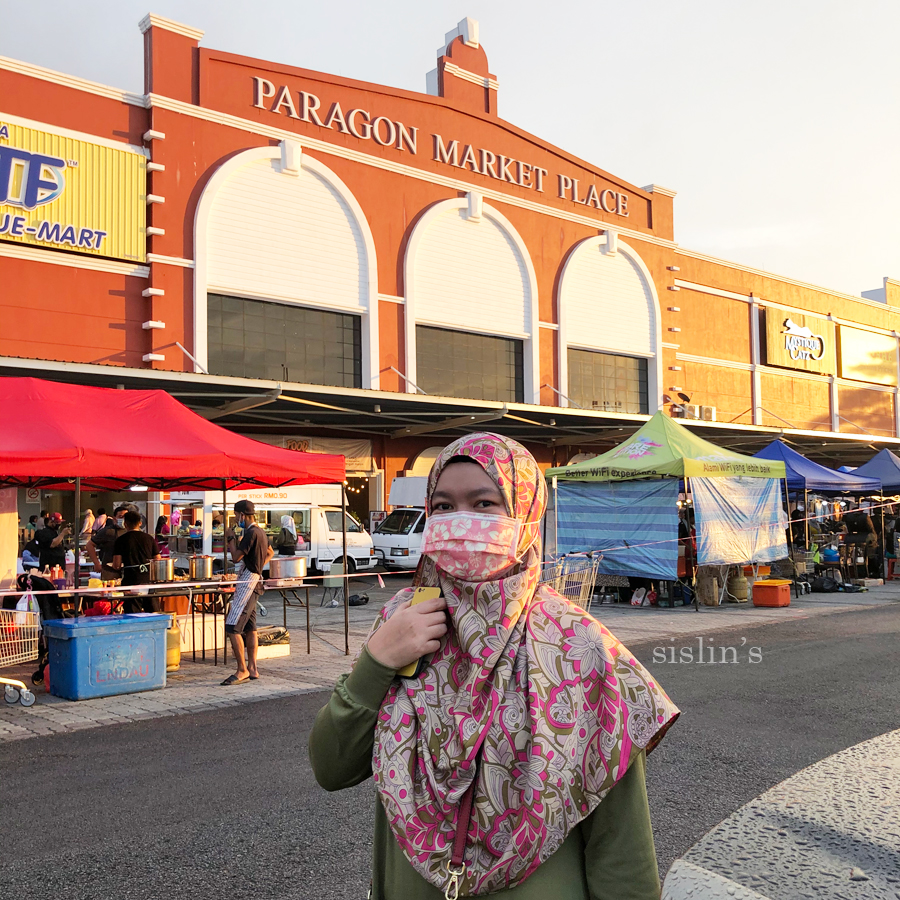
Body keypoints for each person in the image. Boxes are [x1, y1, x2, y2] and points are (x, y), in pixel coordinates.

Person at [308, 433, 679, 899]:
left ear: (524, 516)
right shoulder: (403, 622)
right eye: (442, 506)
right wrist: (376, 661)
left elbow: (621, 848)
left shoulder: (579, 647)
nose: (461, 520)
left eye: (484, 503)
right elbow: (332, 768)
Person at [222, 499, 273, 685]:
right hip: (256, 581)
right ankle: (253, 667)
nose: (236, 519)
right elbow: (270, 553)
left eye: (236, 516)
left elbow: (236, 558)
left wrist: (230, 538)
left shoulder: (251, 533)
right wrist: (259, 567)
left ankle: (242, 669)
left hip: (248, 584)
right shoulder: (261, 532)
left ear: (243, 514)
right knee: (251, 627)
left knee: (232, 626)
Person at [112, 511, 162, 613]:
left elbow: (116, 565)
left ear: (125, 524)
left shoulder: (121, 540)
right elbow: (158, 560)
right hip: (149, 580)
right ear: (140, 523)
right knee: (153, 613)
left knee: (132, 614)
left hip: (131, 581)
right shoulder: (149, 538)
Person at [87, 505, 130, 580]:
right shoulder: (107, 531)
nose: (123, 519)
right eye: (120, 516)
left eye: (126, 517)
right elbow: (89, 544)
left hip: (128, 569)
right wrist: (96, 563)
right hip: (109, 569)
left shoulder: (131, 531)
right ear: (114, 518)